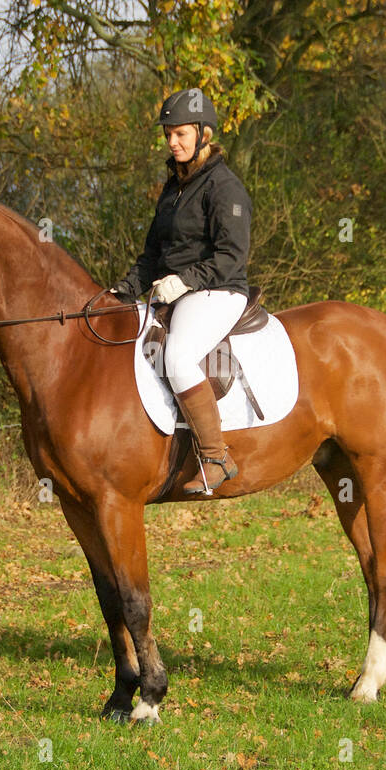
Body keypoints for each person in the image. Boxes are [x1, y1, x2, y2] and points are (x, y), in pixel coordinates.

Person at [110, 87, 252, 494]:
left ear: (204, 134)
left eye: (181, 134)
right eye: (168, 135)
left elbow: (232, 256)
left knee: (178, 357)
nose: (172, 142)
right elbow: (152, 255)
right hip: (173, 292)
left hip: (218, 292)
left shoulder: (225, 188)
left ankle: (215, 456)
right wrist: (121, 291)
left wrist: (186, 280)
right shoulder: (172, 190)